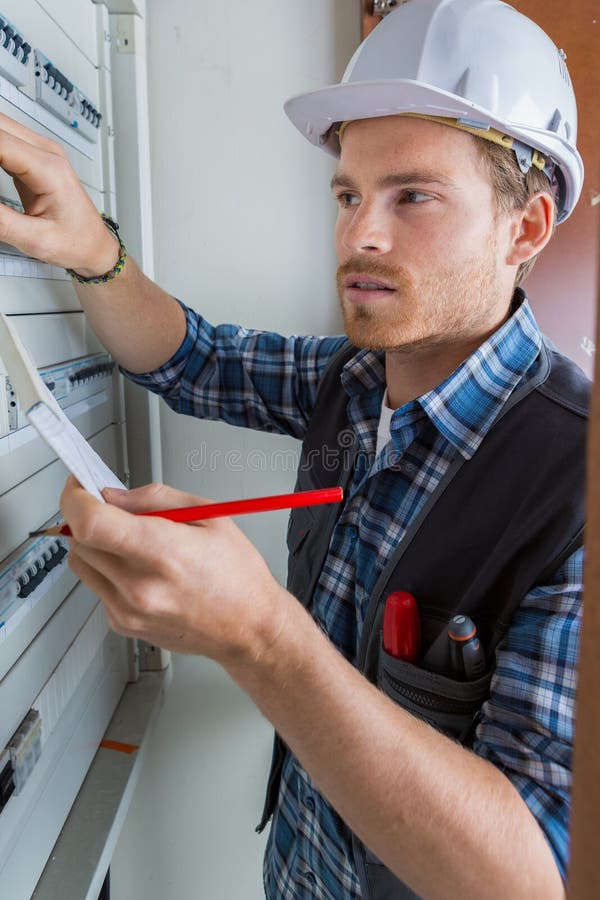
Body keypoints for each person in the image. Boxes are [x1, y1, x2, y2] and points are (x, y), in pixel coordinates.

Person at [0, 0, 588, 897]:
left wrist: (260, 637)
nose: (361, 233)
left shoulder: (574, 484)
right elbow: (189, 358)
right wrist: (92, 249)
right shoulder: (351, 382)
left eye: (413, 195)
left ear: (527, 228)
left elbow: (533, 874)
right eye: (349, 193)